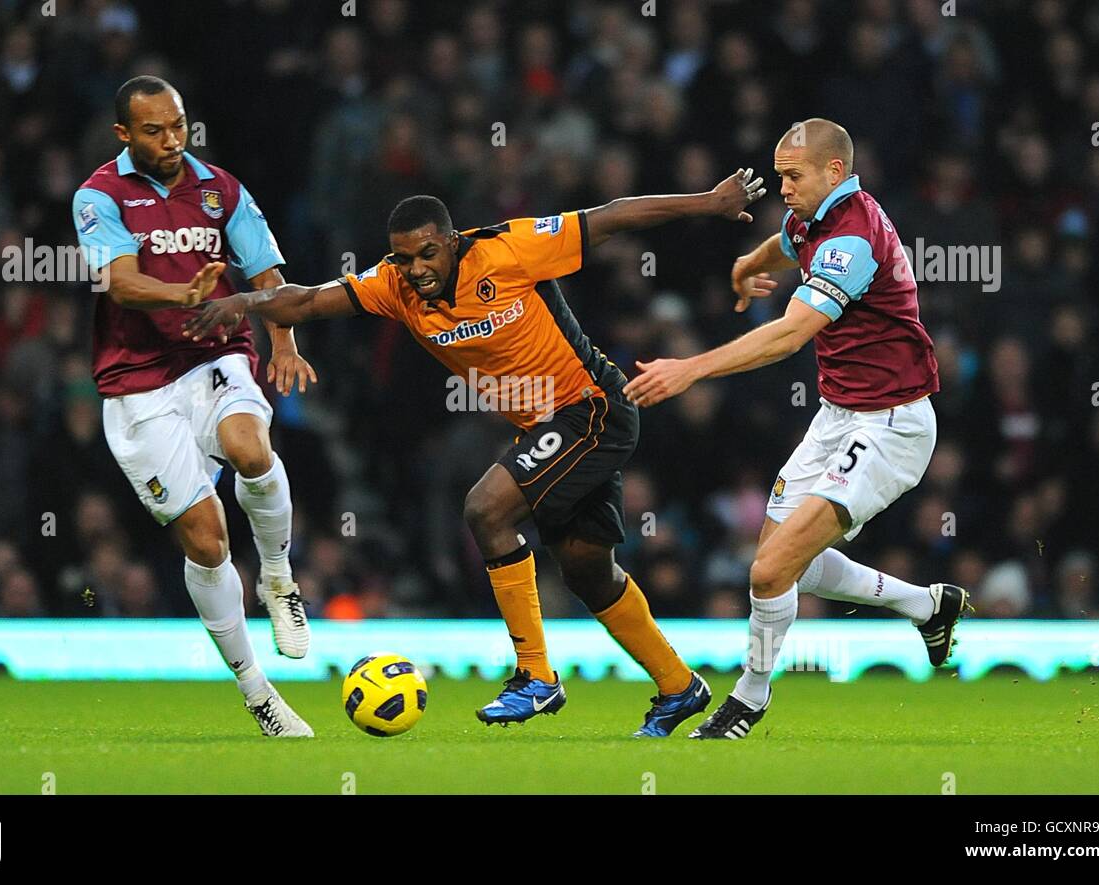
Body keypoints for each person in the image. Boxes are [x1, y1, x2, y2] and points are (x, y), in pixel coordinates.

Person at [184, 170, 767, 736]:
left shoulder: (509, 249)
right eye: (404, 258)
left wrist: (707, 202)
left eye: (427, 254)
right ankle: (678, 686)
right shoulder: (391, 284)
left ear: (453, 242)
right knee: (588, 569)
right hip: (546, 426)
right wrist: (245, 306)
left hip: (591, 409)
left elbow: (610, 218)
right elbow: (309, 301)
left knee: (486, 510)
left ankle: (535, 675)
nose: (416, 269)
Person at [625, 118, 969, 740]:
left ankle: (749, 698)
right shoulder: (817, 217)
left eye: (792, 176)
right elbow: (785, 241)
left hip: (891, 425)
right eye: (779, 175)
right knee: (782, 566)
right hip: (838, 415)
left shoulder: (853, 237)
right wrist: (747, 262)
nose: (783, 188)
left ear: (834, 171)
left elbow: (788, 335)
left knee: (766, 574)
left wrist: (690, 370)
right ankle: (925, 604)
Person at [72, 76, 315, 737]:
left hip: (214, 356)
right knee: (208, 544)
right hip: (137, 386)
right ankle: (257, 690)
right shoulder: (99, 195)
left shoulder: (220, 188)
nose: (171, 139)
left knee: (250, 449)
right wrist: (184, 296)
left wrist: (283, 340)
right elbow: (120, 282)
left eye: (178, 125)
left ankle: (277, 577)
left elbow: (266, 274)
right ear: (124, 135)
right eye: (154, 130)